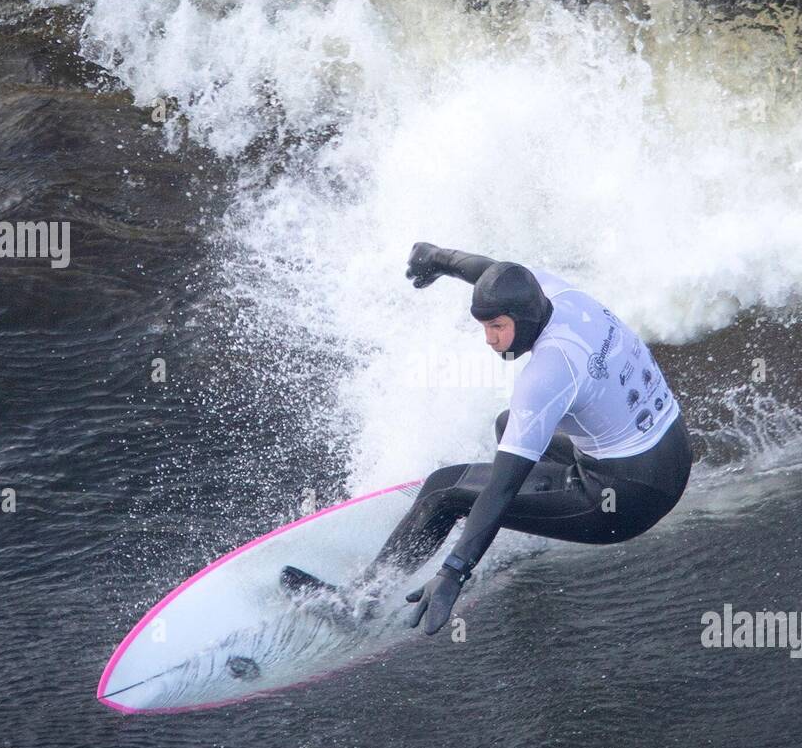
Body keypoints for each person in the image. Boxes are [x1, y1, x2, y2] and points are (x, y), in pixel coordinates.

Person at [285, 243, 694, 636]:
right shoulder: (559, 296)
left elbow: (501, 486)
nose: (489, 338)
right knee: (508, 426)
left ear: (524, 318)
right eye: (484, 325)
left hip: (626, 502)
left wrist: (453, 572)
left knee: (444, 491)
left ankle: (360, 604)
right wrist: (438, 258)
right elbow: (492, 273)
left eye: (498, 327)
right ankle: (543, 513)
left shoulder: (549, 374)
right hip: (670, 450)